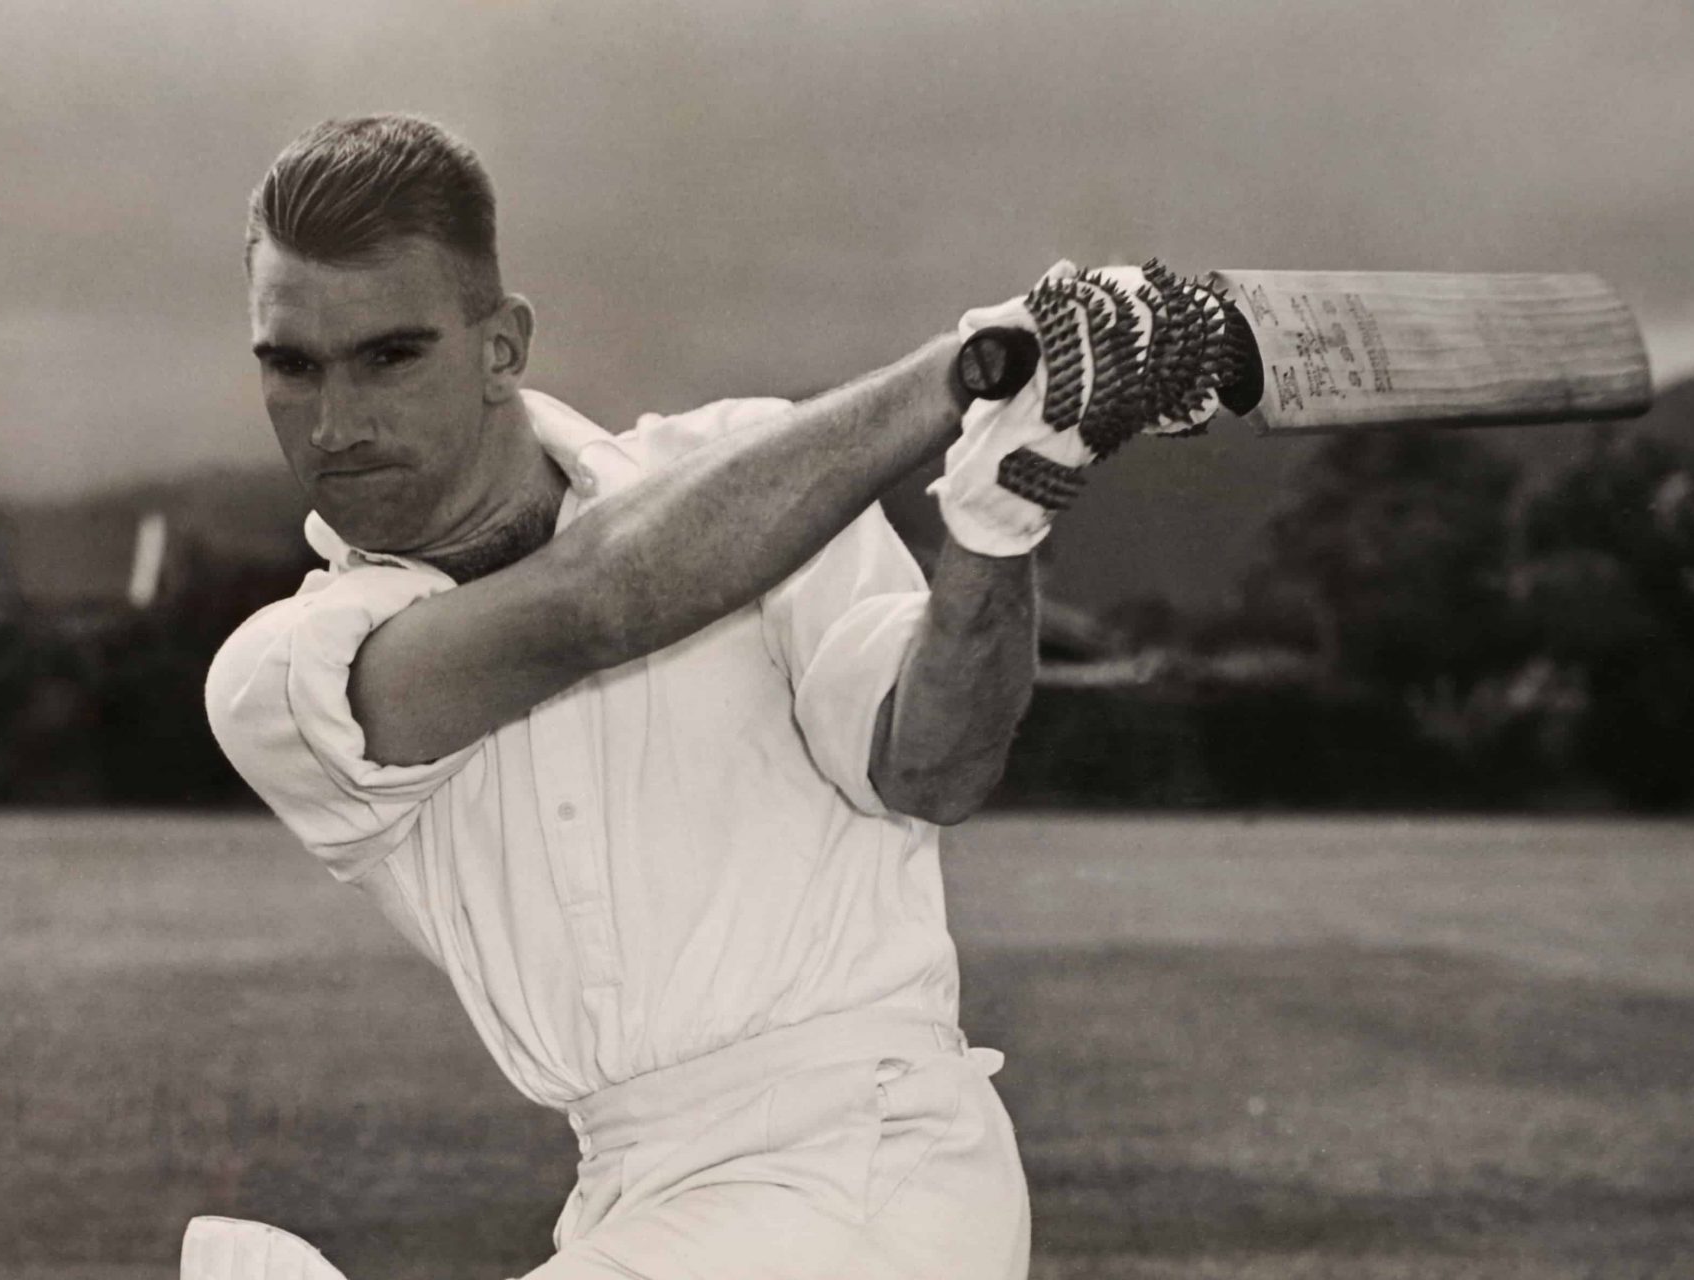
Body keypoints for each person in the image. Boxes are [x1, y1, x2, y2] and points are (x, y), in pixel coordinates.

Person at [206, 113, 1195, 1280]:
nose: (335, 422)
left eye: (389, 355)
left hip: (875, 1164)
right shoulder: (281, 673)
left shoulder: (751, 467)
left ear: (500, 347)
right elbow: (595, 602)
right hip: (631, 1192)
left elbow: (930, 768)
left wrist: (995, 521)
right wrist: (980, 364)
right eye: (291, 364)